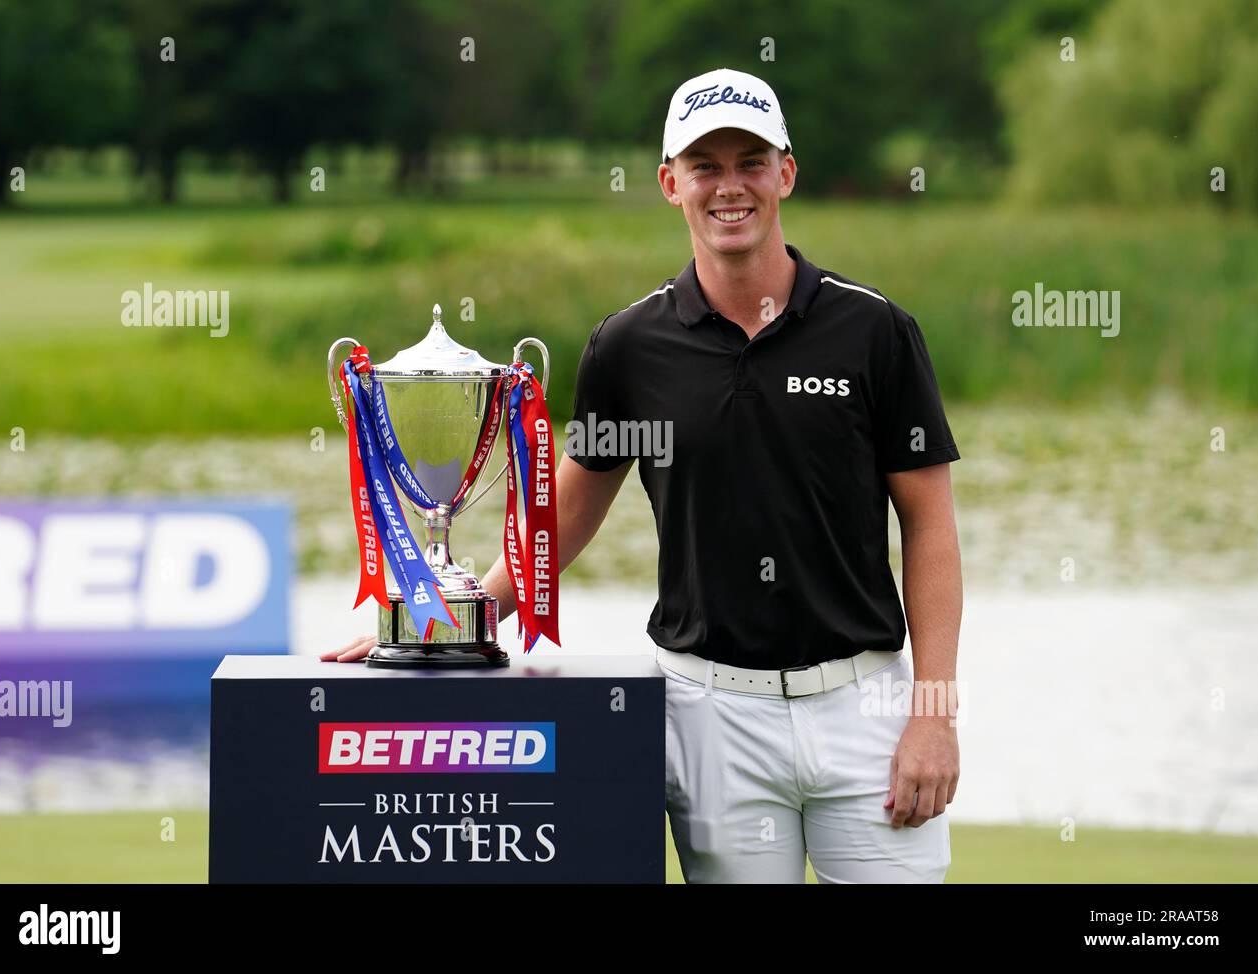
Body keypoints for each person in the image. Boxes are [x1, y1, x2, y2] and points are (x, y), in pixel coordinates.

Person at [324, 67, 962, 884]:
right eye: (705, 166)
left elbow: (932, 527)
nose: (729, 187)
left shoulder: (873, 331)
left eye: (750, 162)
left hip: (866, 707)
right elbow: (573, 509)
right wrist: (451, 619)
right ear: (670, 184)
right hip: (710, 717)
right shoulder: (631, 348)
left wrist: (934, 714)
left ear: (786, 174)